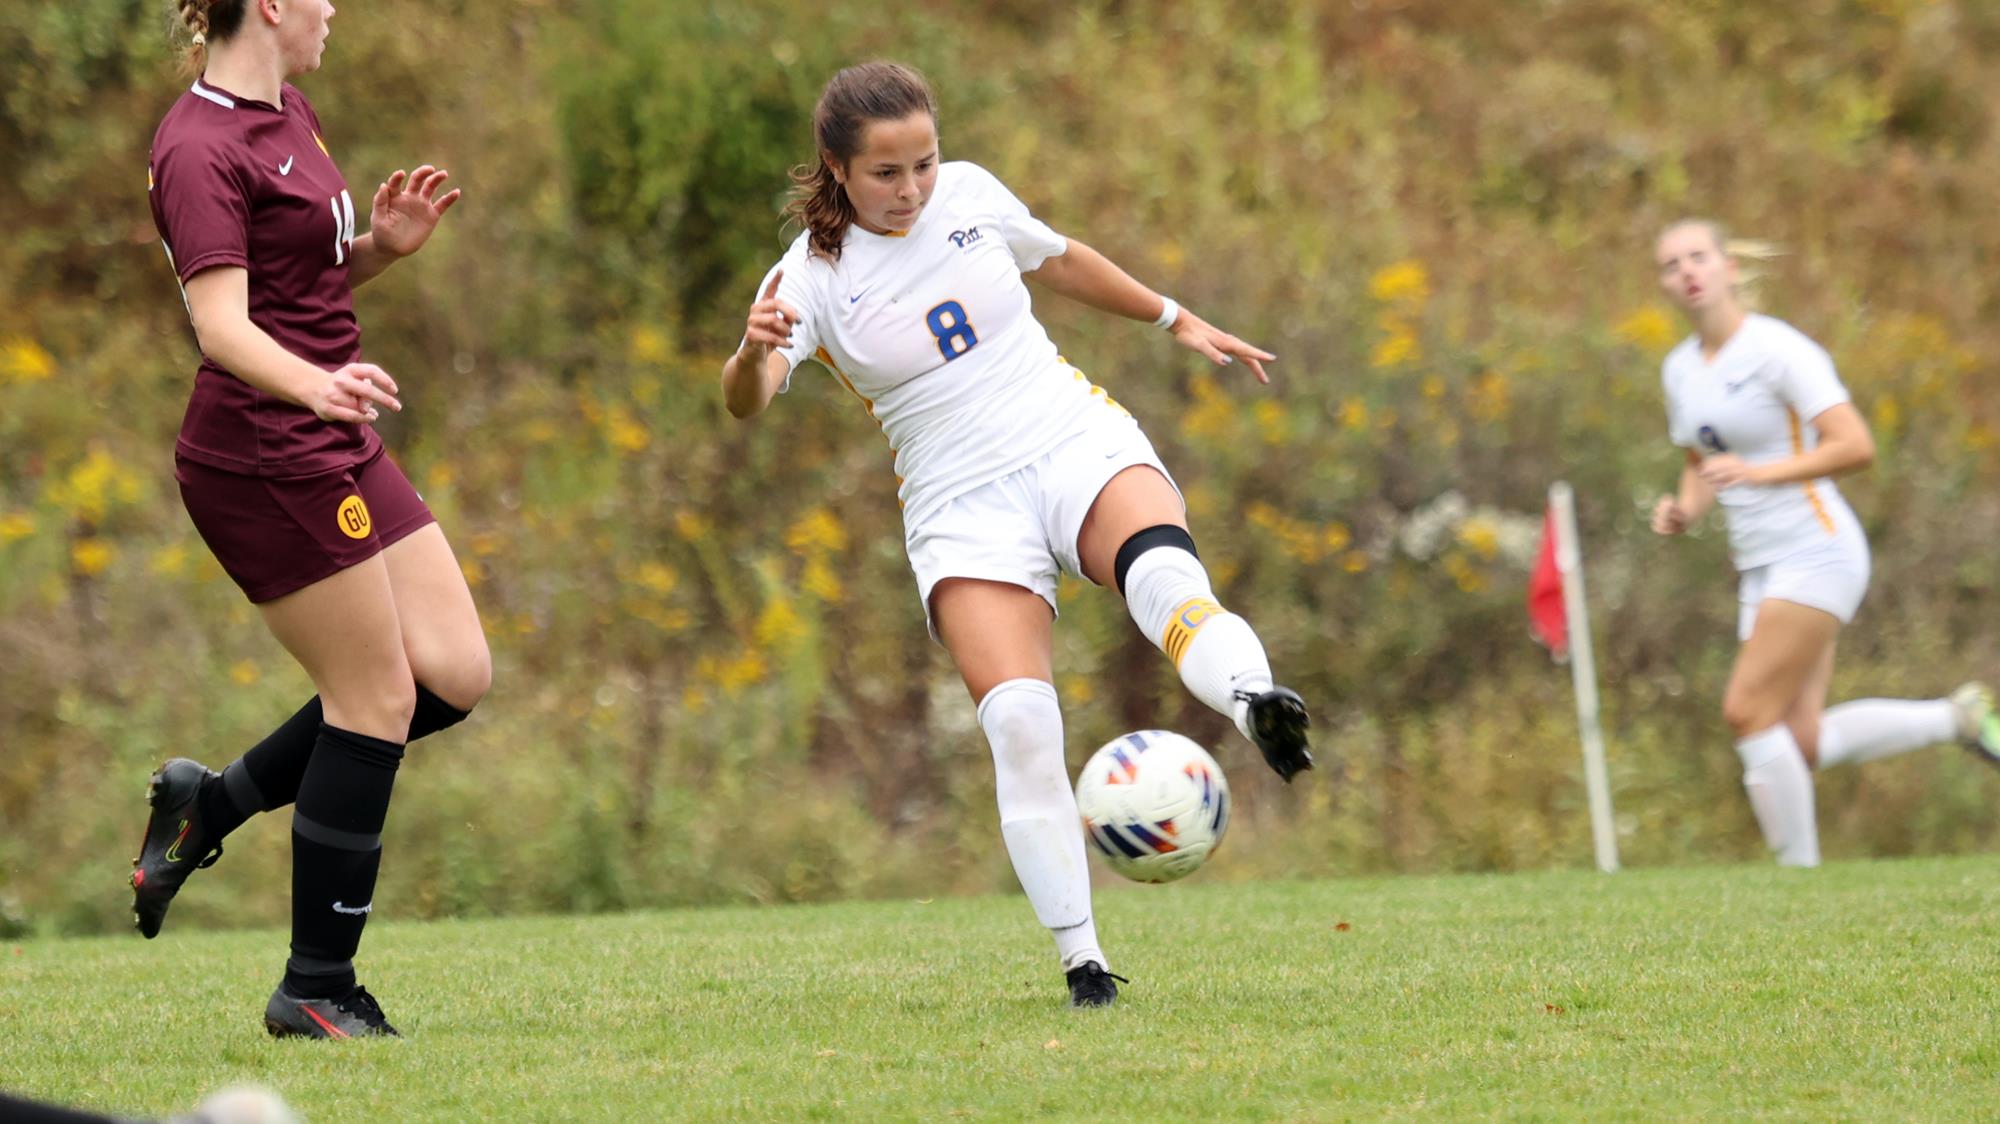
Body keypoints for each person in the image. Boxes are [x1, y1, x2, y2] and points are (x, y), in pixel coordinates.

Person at [722, 62, 1315, 1008]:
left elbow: (1060, 259)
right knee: (1020, 722)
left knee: (1164, 578)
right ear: (837, 168)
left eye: (924, 162)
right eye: (886, 173)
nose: (912, 189)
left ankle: (1255, 705)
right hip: (960, 505)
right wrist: (751, 353)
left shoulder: (969, 194)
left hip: (1069, 436)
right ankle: (1085, 966)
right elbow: (747, 401)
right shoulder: (808, 279)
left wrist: (1174, 317)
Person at [131, 0, 490, 1037]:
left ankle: (211, 805)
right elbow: (222, 326)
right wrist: (318, 386)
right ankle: (316, 988)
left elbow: (298, 282)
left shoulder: (289, 110)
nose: (333, 8)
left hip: (327, 427)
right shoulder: (195, 147)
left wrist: (381, 247)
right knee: (374, 696)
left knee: (452, 674)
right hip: (261, 452)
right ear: (271, 5)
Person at [1649, 219, 1998, 867]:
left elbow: (1855, 445)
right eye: (1671, 265)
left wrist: (1761, 473)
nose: (1687, 271)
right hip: (1760, 566)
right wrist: (1684, 510)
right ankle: (1956, 720)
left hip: (1815, 549)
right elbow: (1701, 458)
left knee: (1746, 711)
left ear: (1729, 266)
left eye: (1698, 256)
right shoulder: (1680, 369)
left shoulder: (1777, 349)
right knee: (1799, 741)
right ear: (1664, 285)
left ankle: (1799, 881)